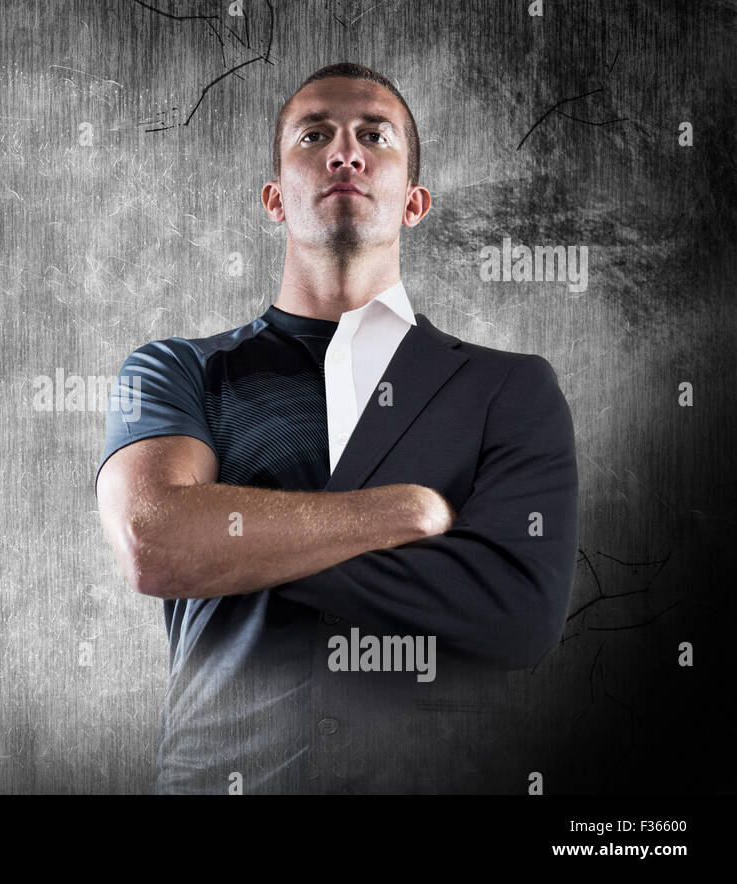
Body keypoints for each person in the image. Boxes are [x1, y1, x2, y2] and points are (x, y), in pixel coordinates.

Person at [94, 63, 579, 794]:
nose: (344, 151)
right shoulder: (176, 371)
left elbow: (518, 616)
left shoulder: (509, 389)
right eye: (313, 134)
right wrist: (402, 514)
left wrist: (233, 542)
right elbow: (156, 542)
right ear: (274, 200)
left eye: (374, 136)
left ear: (414, 202)